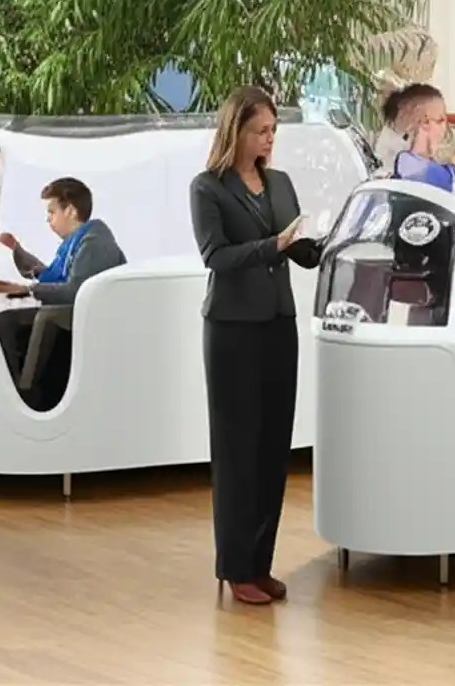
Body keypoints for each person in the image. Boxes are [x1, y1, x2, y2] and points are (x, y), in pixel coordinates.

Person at [189, 85, 323, 606]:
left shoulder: (281, 183)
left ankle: (260, 564)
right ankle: (235, 566)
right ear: (236, 132)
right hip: (232, 328)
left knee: (272, 448)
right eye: (260, 131)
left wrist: (330, 245)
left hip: (277, 323)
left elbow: (297, 250)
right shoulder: (208, 188)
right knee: (236, 448)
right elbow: (216, 256)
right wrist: (275, 245)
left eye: (273, 131)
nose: (269, 139)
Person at [0, 177, 127, 389]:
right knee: (6, 317)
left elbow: (76, 290)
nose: (48, 220)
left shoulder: (94, 242)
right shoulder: (76, 242)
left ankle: (24, 390)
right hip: (77, 311)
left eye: (51, 212)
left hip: (89, 317)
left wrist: (27, 289)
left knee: (8, 321)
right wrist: (17, 251)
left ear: (71, 211)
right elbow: (52, 275)